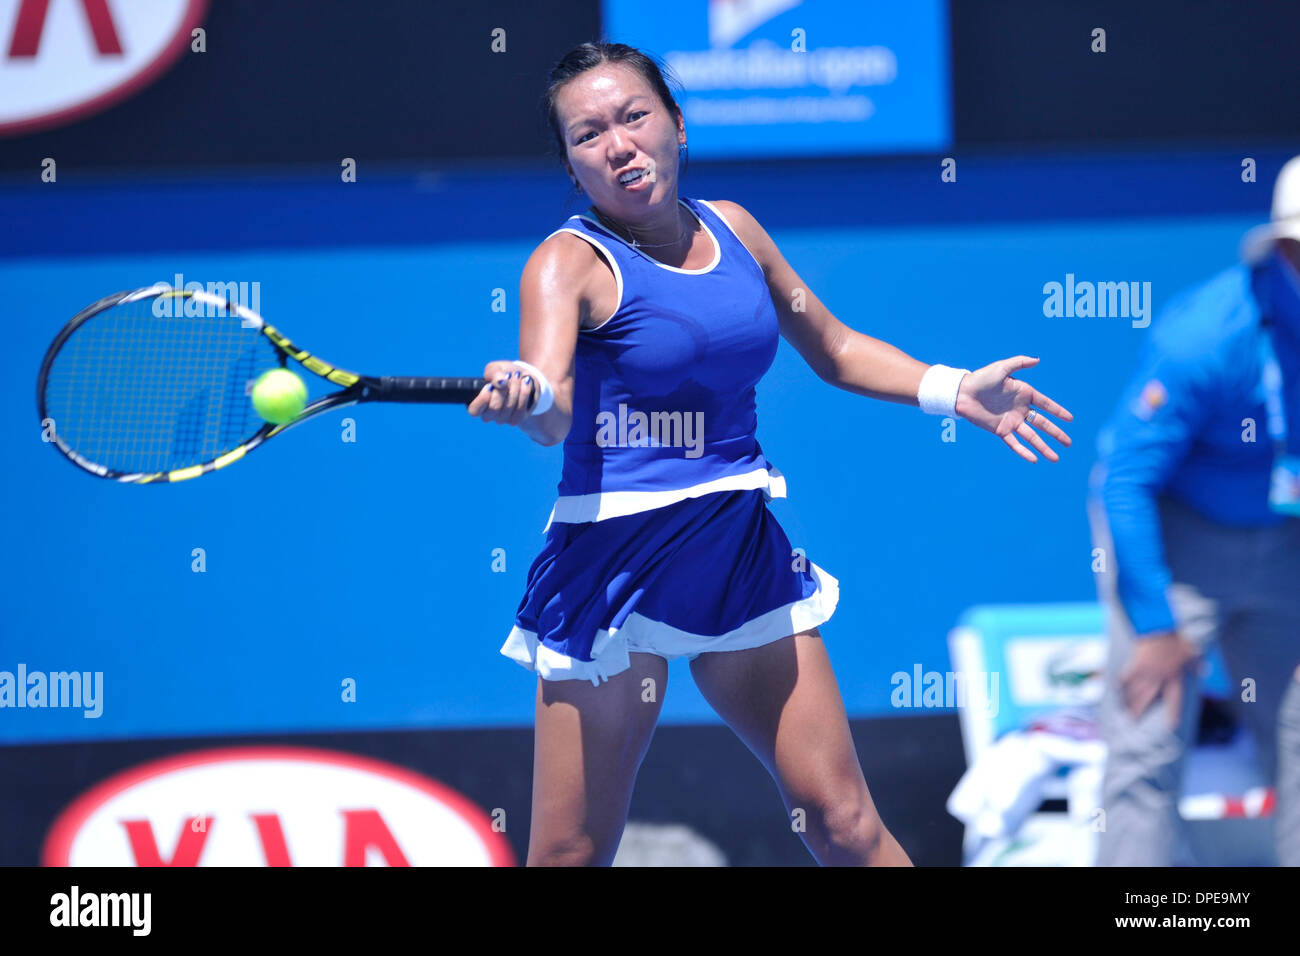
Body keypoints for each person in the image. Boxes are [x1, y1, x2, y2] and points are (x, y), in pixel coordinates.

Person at [468, 41, 1073, 867]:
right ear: (574, 168)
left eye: (634, 117)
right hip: (611, 566)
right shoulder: (566, 262)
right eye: (587, 134)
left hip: (734, 548)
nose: (617, 145)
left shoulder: (737, 229)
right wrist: (528, 395)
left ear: (676, 125)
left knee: (845, 823)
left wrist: (953, 388)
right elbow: (553, 406)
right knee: (569, 855)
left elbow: (834, 347)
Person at [1088, 155, 1300, 866]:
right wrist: (1154, 626)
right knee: (1146, 739)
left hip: (1287, 548)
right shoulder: (1205, 336)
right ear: (1287, 251)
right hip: (1177, 546)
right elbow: (1125, 483)